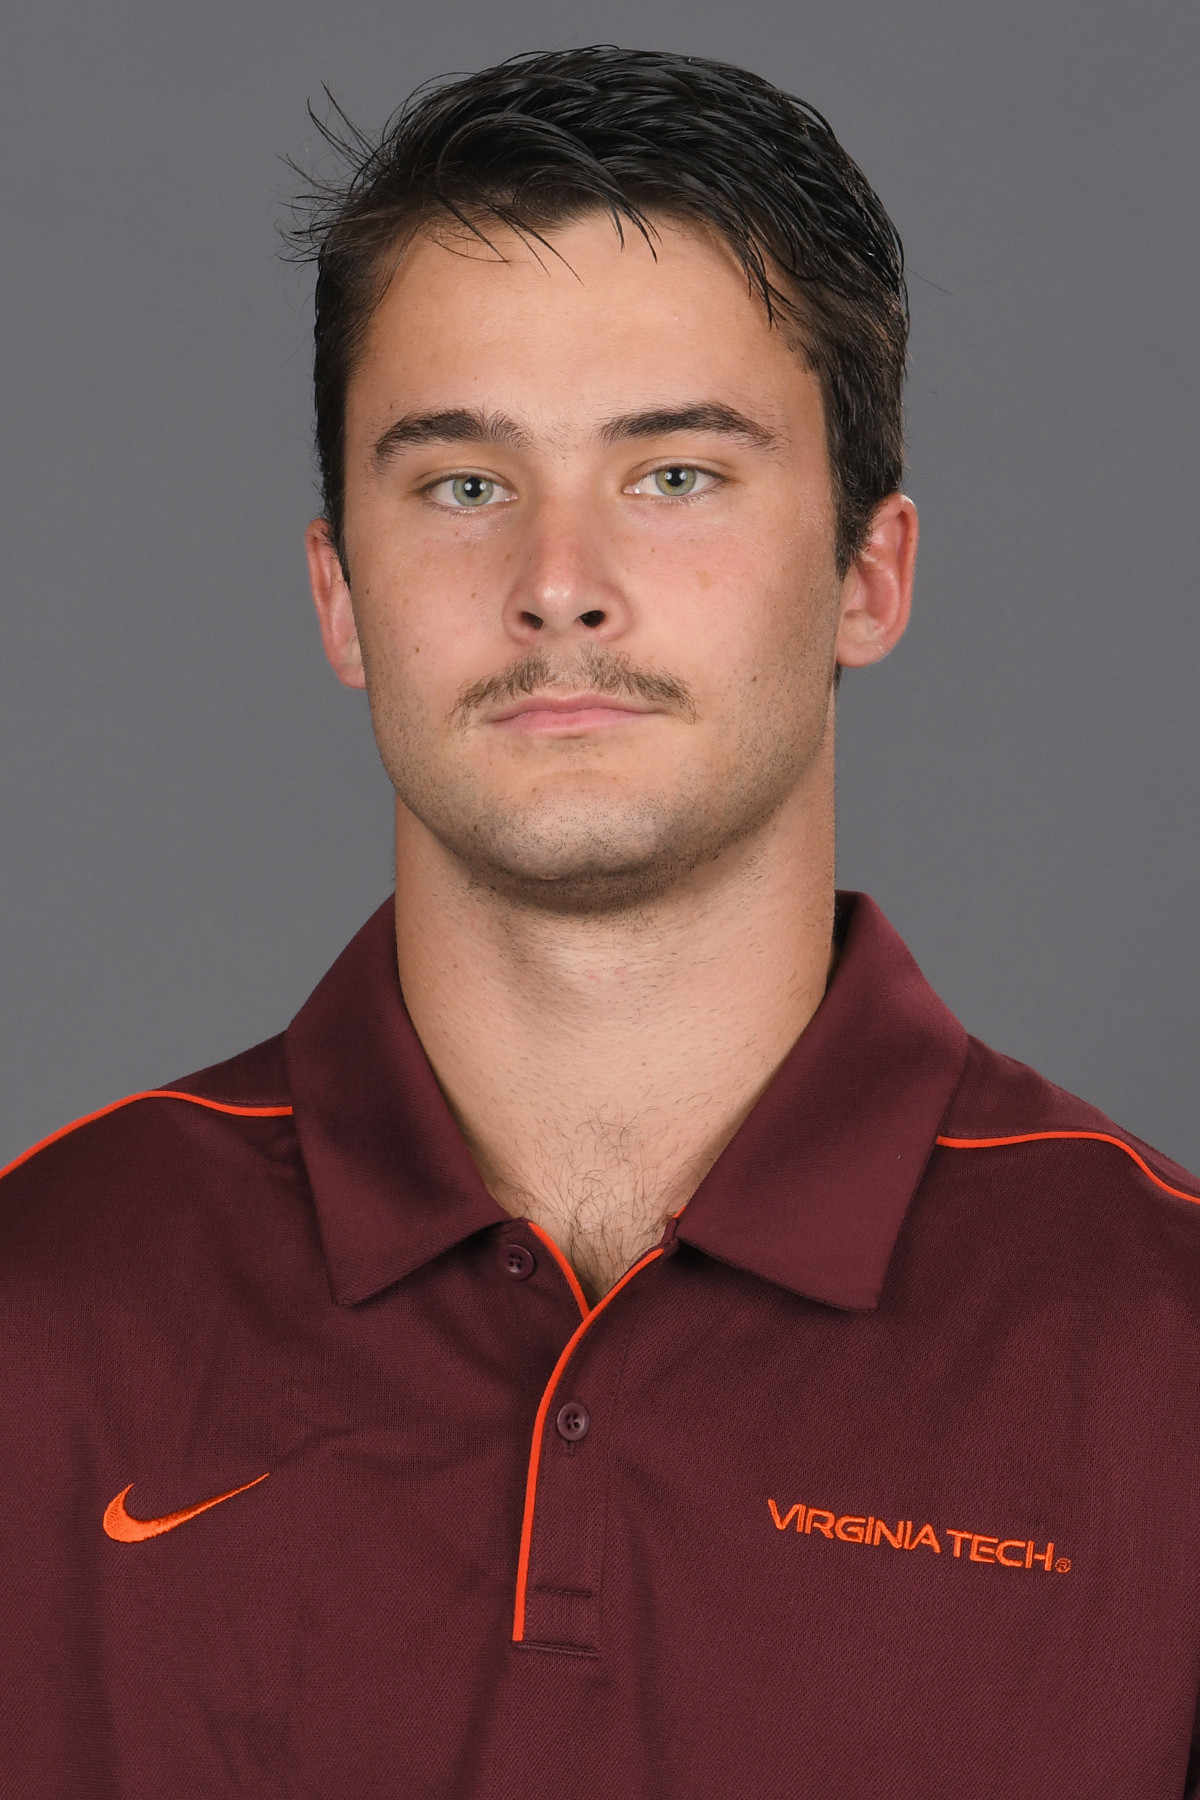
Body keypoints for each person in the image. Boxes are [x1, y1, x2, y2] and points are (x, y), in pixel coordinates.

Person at [2, 44, 1198, 1799]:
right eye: (464, 484)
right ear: (340, 597)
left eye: (677, 474)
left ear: (869, 576)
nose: (558, 583)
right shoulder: (36, 1309)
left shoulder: (1166, 1346)